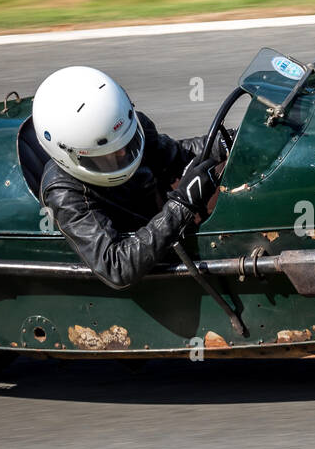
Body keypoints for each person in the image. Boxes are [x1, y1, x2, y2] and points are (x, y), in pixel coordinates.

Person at [33, 65, 225, 289]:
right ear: (72, 156)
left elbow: (176, 155)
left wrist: (226, 142)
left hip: (160, 219)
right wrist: (181, 204)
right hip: (152, 271)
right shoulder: (66, 194)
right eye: (109, 153)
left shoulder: (125, 128)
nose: (124, 152)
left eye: (127, 141)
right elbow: (116, 267)